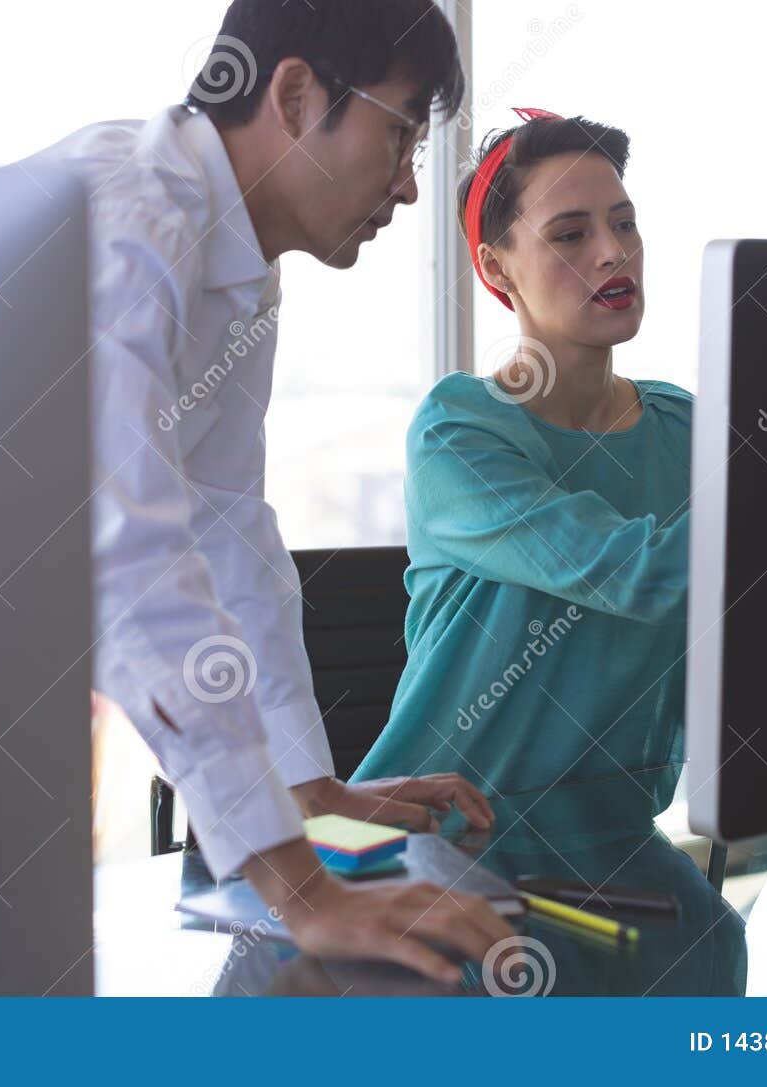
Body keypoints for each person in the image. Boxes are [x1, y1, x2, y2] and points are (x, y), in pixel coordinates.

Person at [37, 0, 513, 985]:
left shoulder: (241, 272)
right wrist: (304, 890)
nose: (410, 186)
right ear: (295, 96)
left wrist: (310, 789)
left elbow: (227, 531)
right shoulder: (130, 222)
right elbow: (127, 561)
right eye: (398, 133)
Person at [351, 112, 696, 843]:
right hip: (431, 845)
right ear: (498, 267)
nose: (613, 253)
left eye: (625, 224)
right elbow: (640, 573)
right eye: (570, 235)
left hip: (609, 845)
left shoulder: (684, 429)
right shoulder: (459, 431)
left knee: (719, 951)